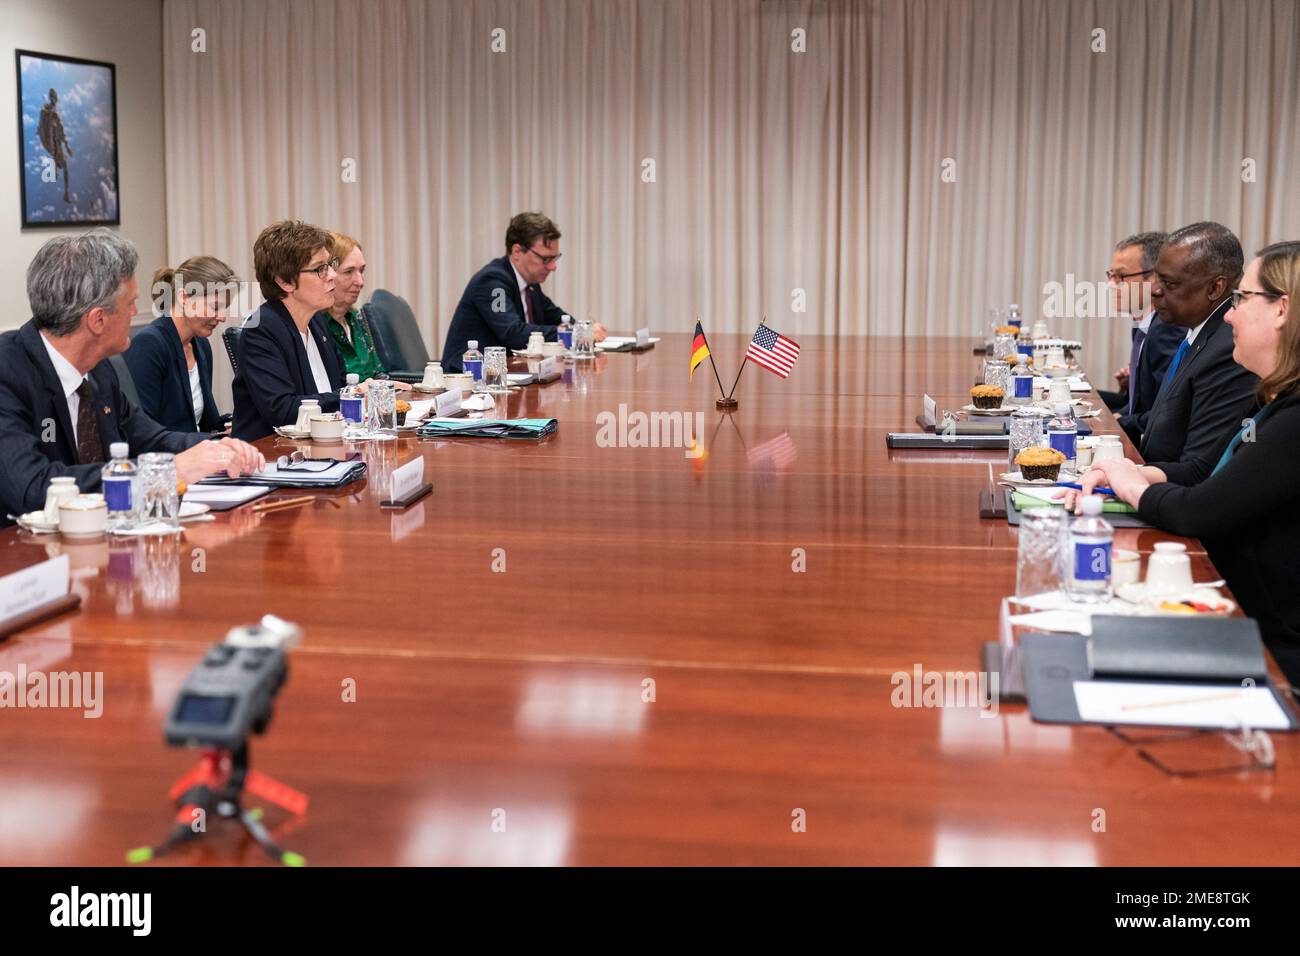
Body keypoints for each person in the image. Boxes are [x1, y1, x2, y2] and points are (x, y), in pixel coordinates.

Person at [1074, 241, 1300, 688]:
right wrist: (1134, 473)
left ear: (1281, 310)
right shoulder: (1274, 402)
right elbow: (1211, 475)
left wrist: (1129, 482)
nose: (1230, 315)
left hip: (1270, 653)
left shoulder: (1293, 421)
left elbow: (1199, 510)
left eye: (1241, 300)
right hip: (1234, 619)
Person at [0, 231, 265, 525]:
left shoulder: (99, 369)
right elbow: (32, 488)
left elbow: (150, 438)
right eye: (131, 304)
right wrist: (169, 471)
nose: (137, 313)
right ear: (98, 320)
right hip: (24, 559)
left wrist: (216, 448)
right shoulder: (8, 372)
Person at [1135, 222, 1258, 485]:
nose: (1155, 290)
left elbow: (1199, 470)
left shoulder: (1228, 349)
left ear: (1214, 288)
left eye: (1169, 283)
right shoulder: (1197, 331)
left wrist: (1125, 475)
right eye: (1157, 277)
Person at [440, 211, 606, 371]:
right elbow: (513, 333)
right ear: (517, 251)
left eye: (554, 259)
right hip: (469, 380)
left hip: (509, 375)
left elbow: (558, 319)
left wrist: (583, 329)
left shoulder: (531, 286)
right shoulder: (492, 282)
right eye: (546, 259)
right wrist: (578, 333)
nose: (553, 267)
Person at [232, 221, 348, 441]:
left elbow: (341, 384)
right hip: (272, 458)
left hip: (321, 448)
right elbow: (284, 410)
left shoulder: (317, 321)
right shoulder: (261, 329)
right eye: (320, 268)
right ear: (285, 282)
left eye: (330, 264)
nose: (333, 274)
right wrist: (352, 396)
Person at [125, 256, 237, 434]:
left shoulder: (201, 346)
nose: (222, 317)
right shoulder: (149, 346)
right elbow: (142, 432)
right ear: (184, 297)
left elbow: (204, 423)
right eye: (215, 307)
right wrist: (210, 442)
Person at [1095, 232, 1184, 442]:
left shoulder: (1166, 330)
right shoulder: (1144, 325)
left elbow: (1170, 413)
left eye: (1121, 276)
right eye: (1111, 275)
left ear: (1153, 278)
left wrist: (1121, 419)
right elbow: (1146, 401)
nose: (1111, 285)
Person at [322, 231, 409, 389]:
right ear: (326, 274)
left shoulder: (356, 318)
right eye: (349, 272)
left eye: (361, 271)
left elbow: (378, 373)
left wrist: (393, 387)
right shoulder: (316, 325)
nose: (360, 281)